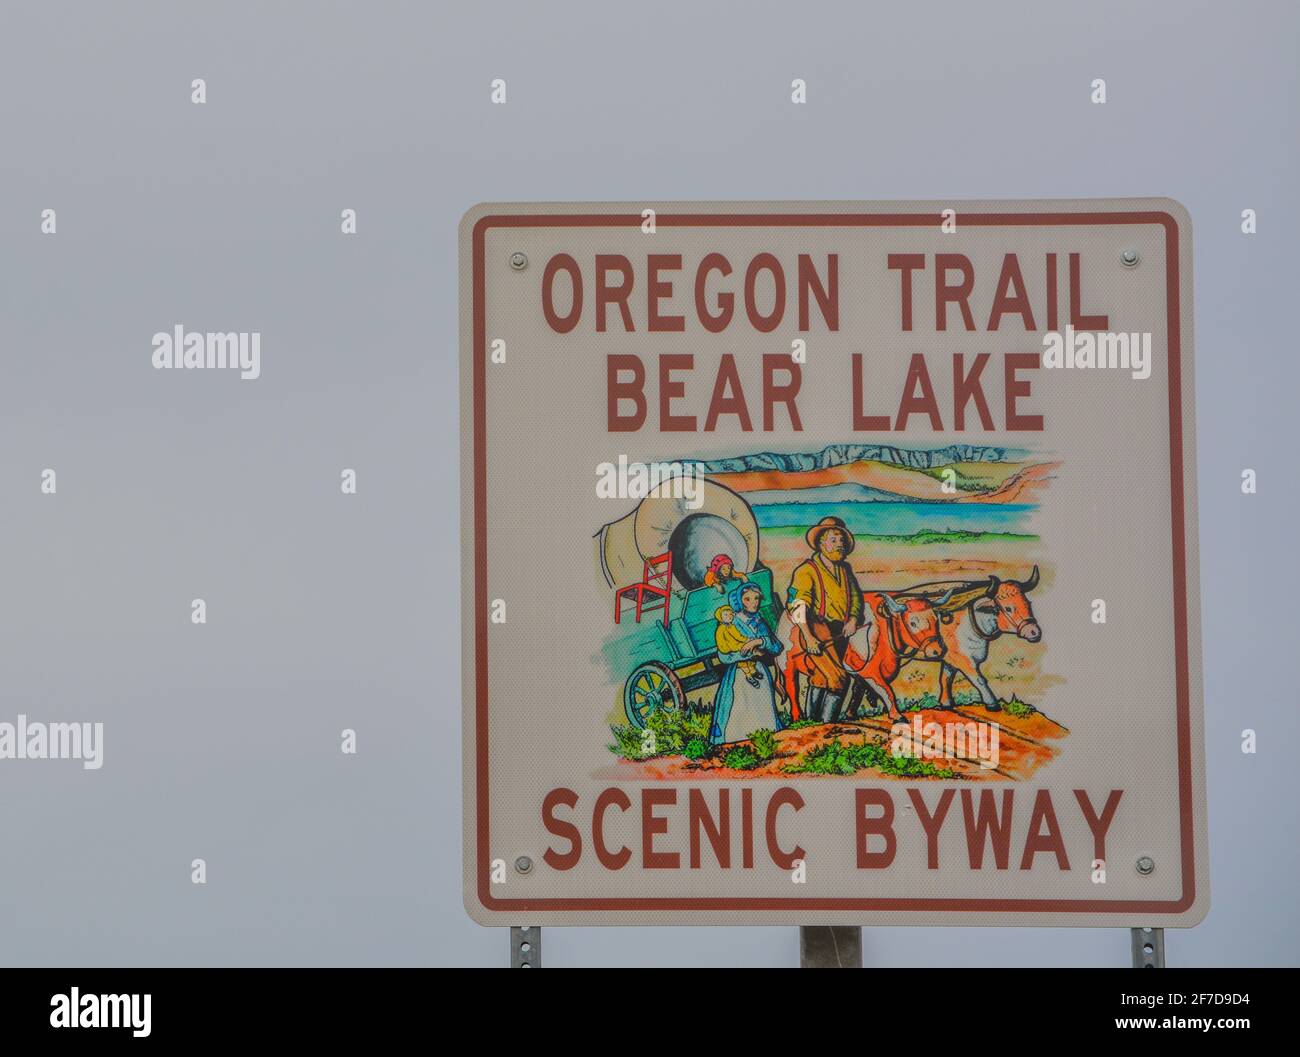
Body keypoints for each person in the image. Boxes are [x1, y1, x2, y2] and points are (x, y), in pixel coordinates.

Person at [786, 516, 868, 724]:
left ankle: (811, 726)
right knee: (839, 678)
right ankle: (827, 727)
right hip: (816, 629)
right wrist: (809, 636)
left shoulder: (845, 570)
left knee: (822, 678)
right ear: (822, 543)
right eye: (834, 539)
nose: (839, 544)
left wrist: (852, 619)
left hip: (840, 633)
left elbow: (856, 597)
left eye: (841, 540)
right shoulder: (806, 571)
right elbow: (797, 606)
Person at [709, 582, 783, 746]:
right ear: (739, 601)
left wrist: (759, 641)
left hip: (758, 670)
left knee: (763, 711)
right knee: (739, 709)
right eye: (748, 599)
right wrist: (747, 652)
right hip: (739, 674)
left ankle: (766, 744)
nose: (754, 602)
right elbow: (723, 655)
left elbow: (776, 646)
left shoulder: (759, 621)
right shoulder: (730, 623)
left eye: (756, 598)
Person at [714, 606, 762, 687]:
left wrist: (747, 640)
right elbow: (729, 645)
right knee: (743, 662)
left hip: (736, 646)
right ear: (720, 617)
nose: (729, 616)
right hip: (729, 652)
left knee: (749, 657)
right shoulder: (721, 629)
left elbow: (738, 636)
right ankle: (749, 676)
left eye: (731, 614)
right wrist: (743, 645)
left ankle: (753, 671)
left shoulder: (731, 626)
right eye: (726, 615)